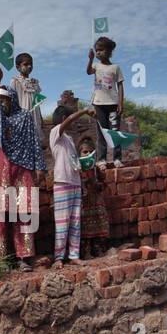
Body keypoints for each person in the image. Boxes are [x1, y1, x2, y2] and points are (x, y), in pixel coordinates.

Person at [0, 67, 45, 271]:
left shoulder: (24, 117)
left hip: (23, 169)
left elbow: (34, 142)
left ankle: (24, 257)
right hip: (0, 168)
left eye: (6, 99)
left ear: (13, 100)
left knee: (22, 213)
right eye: (1, 100)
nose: (3, 103)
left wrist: (40, 167)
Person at [46, 102, 97, 267]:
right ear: (63, 118)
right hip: (62, 182)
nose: (73, 122)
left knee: (75, 221)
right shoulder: (56, 132)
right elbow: (68, 121)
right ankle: (59, 257)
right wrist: (84, 111)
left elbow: (73, 161)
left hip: (75, 182)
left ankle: (73, 255)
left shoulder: (68, 138)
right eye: (69, 118)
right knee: (62, 222)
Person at [9, 52, 47, 151]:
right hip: (22, 117)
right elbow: (12, 101)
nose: (29, 66)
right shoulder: (15, 81)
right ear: (18, 67)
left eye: (31, 64)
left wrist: (41, 118)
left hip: (35, 116)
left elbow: (37, 103)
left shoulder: (35, 82)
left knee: (36, 145)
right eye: (26, 64)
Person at [86, 36, 125, 134]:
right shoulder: (95, 65)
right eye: (96, 50)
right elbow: (88, 72)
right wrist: (90, 59)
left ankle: (116, 150)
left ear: (109, 51)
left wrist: (120, 103)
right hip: (99, 104)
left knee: (115, 132)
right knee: (103, 133)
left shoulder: (115, 67)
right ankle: (102, 150)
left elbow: (120, 85)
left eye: (101, 49)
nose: (98, 52)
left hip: (113, 104)